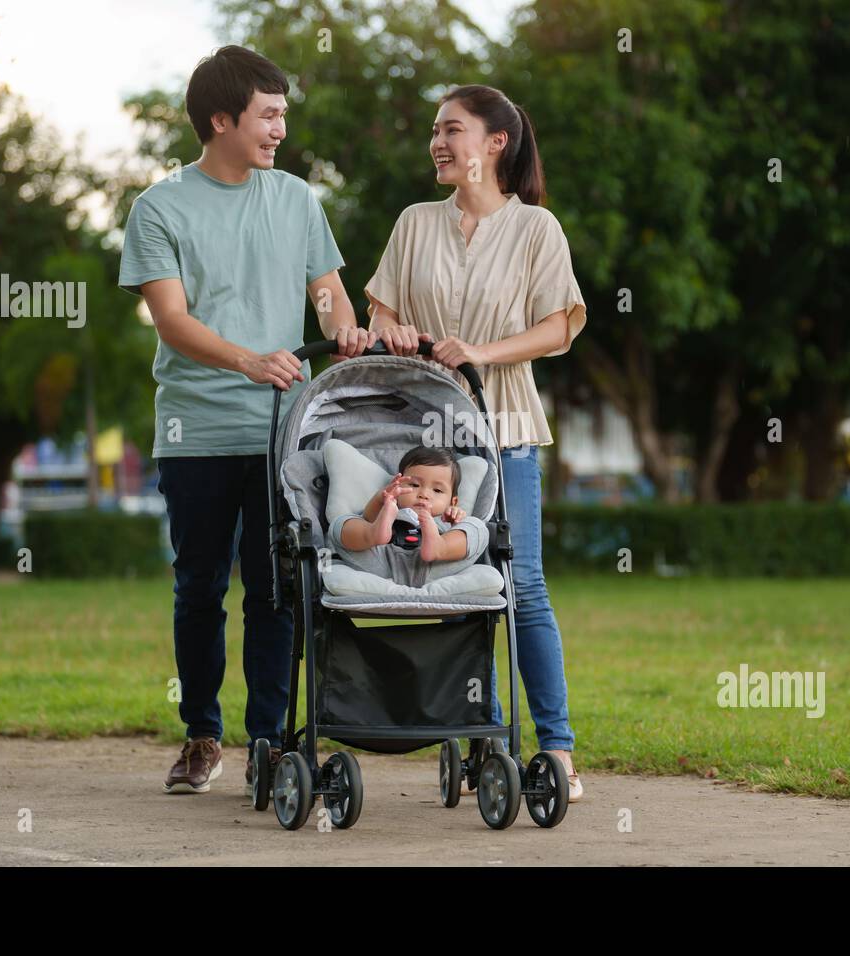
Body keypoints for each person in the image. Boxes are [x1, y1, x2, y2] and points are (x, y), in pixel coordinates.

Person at [117, 45, 376, 794]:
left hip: (285, 434)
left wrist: (345, 329)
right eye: (268, 115)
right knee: (200, 589)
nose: (280, 130)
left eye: (283, 114)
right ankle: (202, 734)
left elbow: (326, 292)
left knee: (276, 590)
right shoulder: (159, 207)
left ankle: (270, 740)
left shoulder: (295, 199)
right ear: (221, 120)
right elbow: (172, 321)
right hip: (196, 432)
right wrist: (249, 362)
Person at [365, 84, 588, 801]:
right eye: (435, 130)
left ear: (496, 143)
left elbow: (558, 327)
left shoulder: (536, 229)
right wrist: (394, 331)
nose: (438, 141)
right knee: (457, 588)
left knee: (520, 585)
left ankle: (556, 747)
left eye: (451, 129)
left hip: (506, 427)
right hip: (428, 437)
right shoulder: (414, 222)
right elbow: (380, 316)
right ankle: (484, 735)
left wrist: (481, 353)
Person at [329, 446, 487, 586]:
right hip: (383, 561)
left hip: (434, 566)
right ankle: (373, 534)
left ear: (452, 501)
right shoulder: (391, 510)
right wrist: (380, 499)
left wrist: (458, 520)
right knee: (341, 523)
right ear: (397, 486)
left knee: (477, 527)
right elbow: (368, 519)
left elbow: (463, 533)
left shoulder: (446, 518)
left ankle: (440, 547)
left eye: (437, 490)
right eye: (414, 485)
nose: (424, 494)